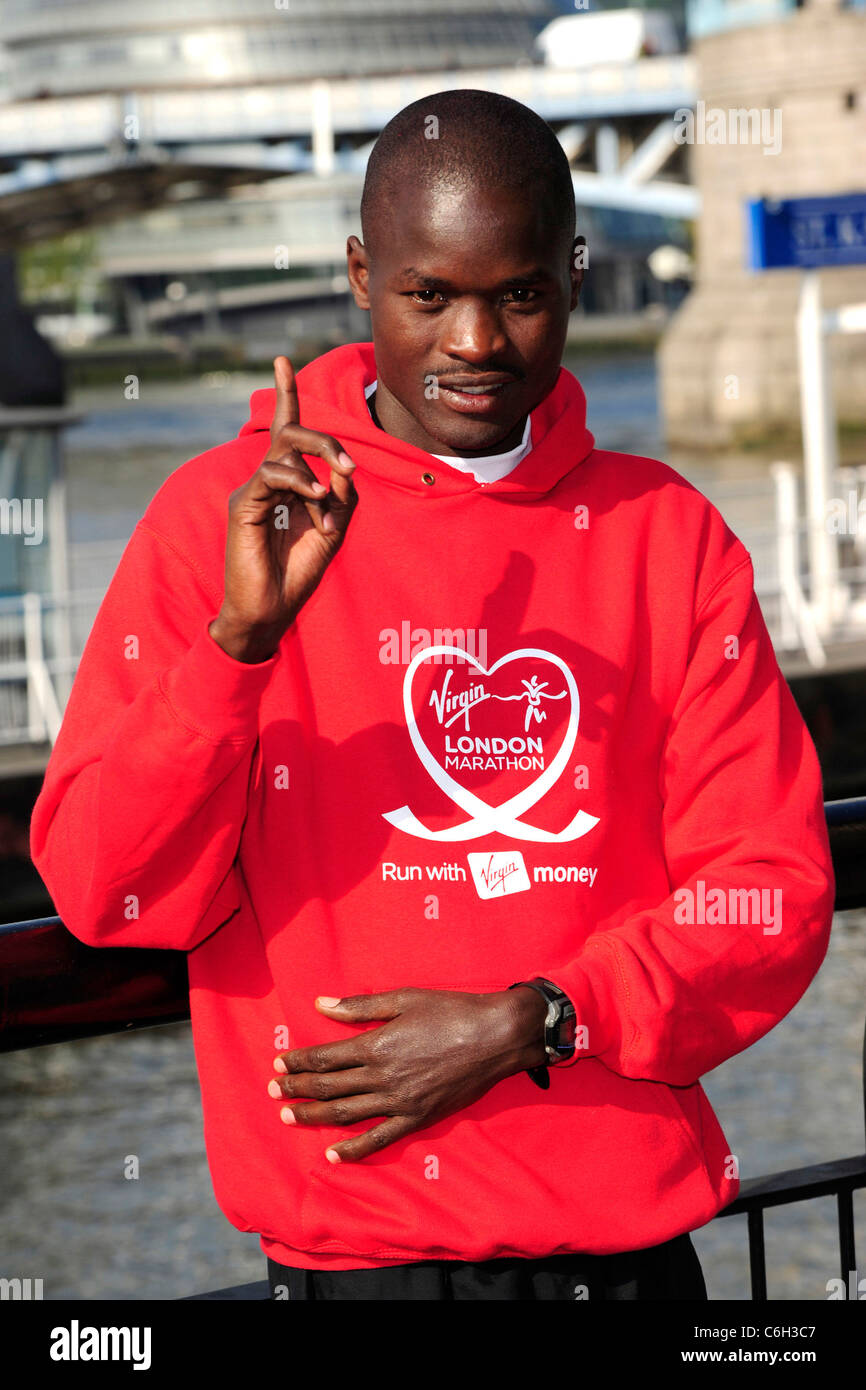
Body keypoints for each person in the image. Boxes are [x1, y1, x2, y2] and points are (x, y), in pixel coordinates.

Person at [30, 89, 835, 1302]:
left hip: (615, 1266)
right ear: (362, 274)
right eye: (429, 295)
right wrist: (239, 647)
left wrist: (539, 1019)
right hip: (349, 1259)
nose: (476, 341)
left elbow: (767, 892)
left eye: (517, 293)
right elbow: (106, 893)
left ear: (571, 274)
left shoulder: (667, 539)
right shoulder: (220, 523)